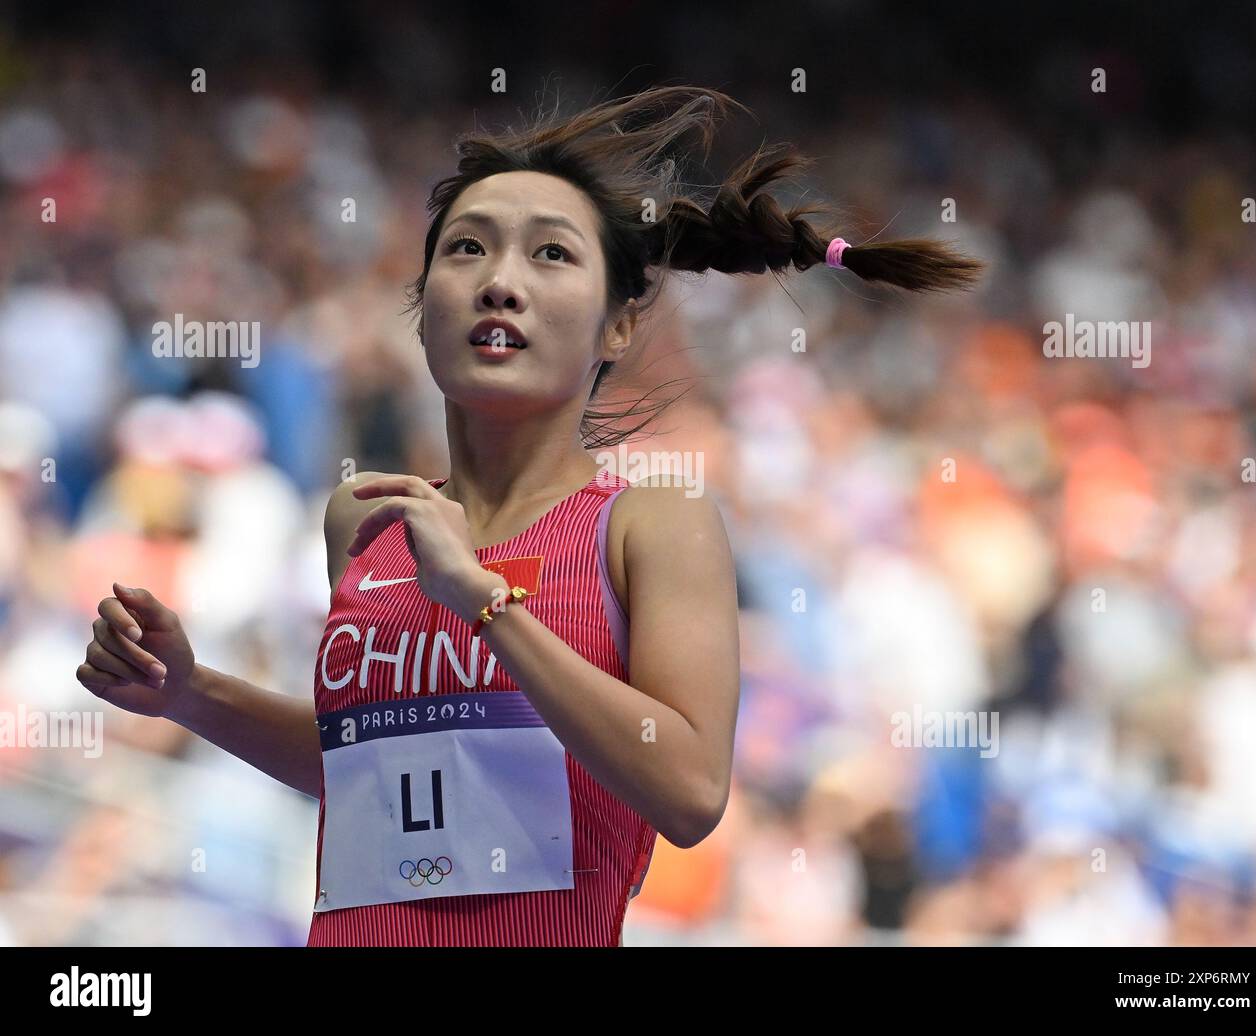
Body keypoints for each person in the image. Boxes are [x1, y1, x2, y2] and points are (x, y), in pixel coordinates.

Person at [75, 85, 980, 946]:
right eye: (466, 248)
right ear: (420, 304)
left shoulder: (651, 522)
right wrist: (191, 694)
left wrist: (483, 599)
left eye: (551, 253)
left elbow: (690, 791)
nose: (499, 282)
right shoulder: (364, 519)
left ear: (617, 327)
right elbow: (374, 781)